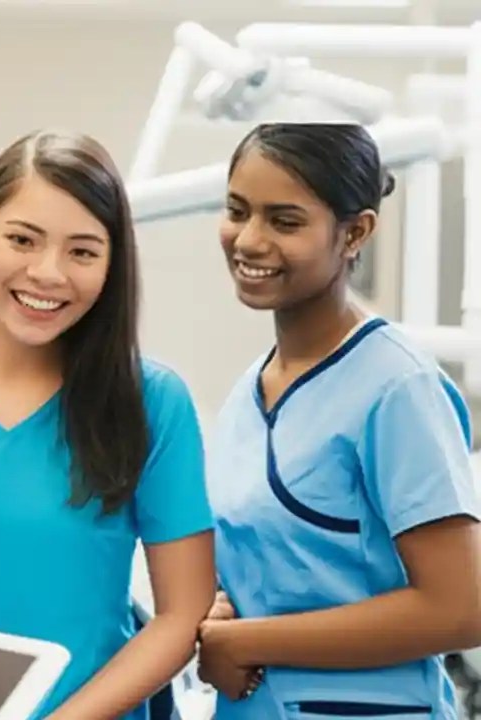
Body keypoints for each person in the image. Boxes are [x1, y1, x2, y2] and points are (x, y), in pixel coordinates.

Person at [0, 129, 215, 719]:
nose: (48, 272)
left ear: (111, 266)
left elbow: (181, 616)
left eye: (82, 251)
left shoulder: (153, 402)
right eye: (23, 239)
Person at [198, 122, 481, 717]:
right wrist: (217, 612)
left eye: (284, 220)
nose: (248, 239)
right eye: (237, 210)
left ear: (355, 232)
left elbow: (461, 608)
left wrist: (244, 640)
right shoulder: (249, 390)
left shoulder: (399, 387)